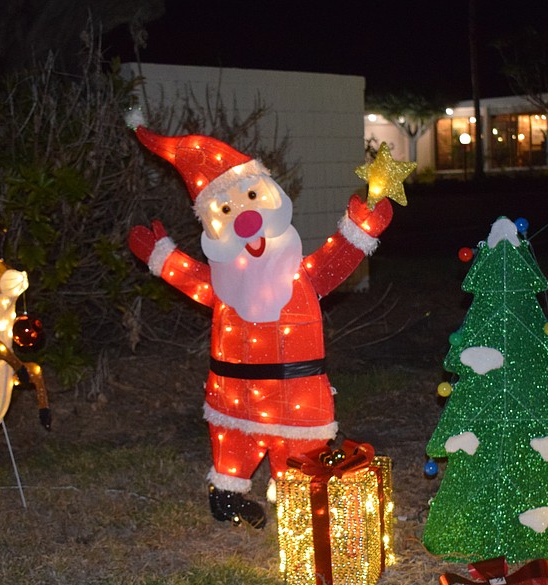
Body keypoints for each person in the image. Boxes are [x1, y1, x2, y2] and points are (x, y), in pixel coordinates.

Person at [127, 126, 393, 528]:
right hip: (235, 396)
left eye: (251, 198)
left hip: (296, 394)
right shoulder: (223, 282)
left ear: (269, 197)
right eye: (226, 211)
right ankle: (228, 495)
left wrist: (360, 231)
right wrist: (164, 259)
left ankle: (294, 494)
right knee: (234, 447)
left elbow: (333, 262)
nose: (246, 219)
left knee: (299, 453)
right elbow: (193, 279)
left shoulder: (299, 275)